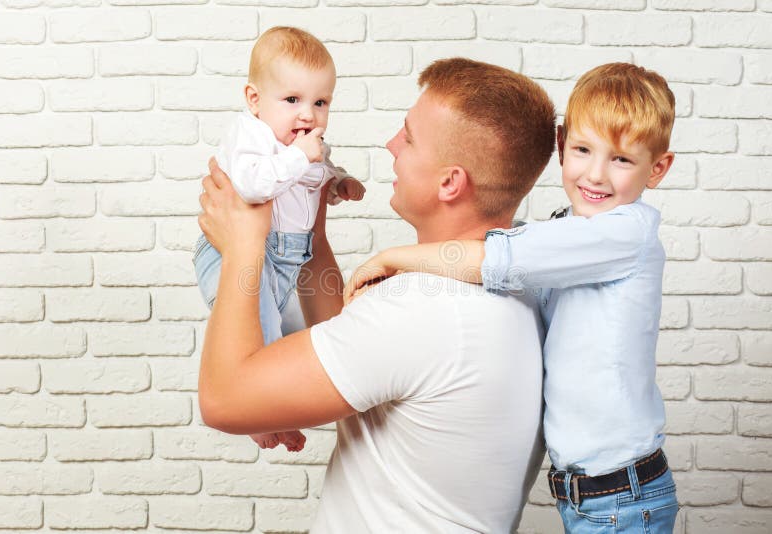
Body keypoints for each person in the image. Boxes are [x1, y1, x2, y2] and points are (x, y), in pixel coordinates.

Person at [197, 58, 556, 533]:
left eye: (407, 137)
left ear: (450, 182)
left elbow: (224, 400)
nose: (391, 145)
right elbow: (347, 341)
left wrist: (244, 243)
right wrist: (311, 233)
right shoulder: (512, 280)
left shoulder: (427, 311)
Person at [345, 62, 678, 533]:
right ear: (562, 146)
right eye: (583, 150)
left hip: (621, 496)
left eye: (622, 160)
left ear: (657, 168)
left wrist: (395, 258)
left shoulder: (626, 232)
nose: (596, 175)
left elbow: (503, 256)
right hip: (592, 491)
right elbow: (517, 244)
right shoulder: (569, 232)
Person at [192, 26, 364, 451]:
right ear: (254, 100)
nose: (308, 114)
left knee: (296, 344)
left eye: (320, 102)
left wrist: (338, 182)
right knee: (260, 335)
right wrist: (297, 157)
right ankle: (251, 413)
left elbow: (320, 171)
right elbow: (251, 186)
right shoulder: (250, 135)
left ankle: (279, 410)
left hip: (288, 260)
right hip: (237, 253)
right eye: (292, 100)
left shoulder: (306, 146)